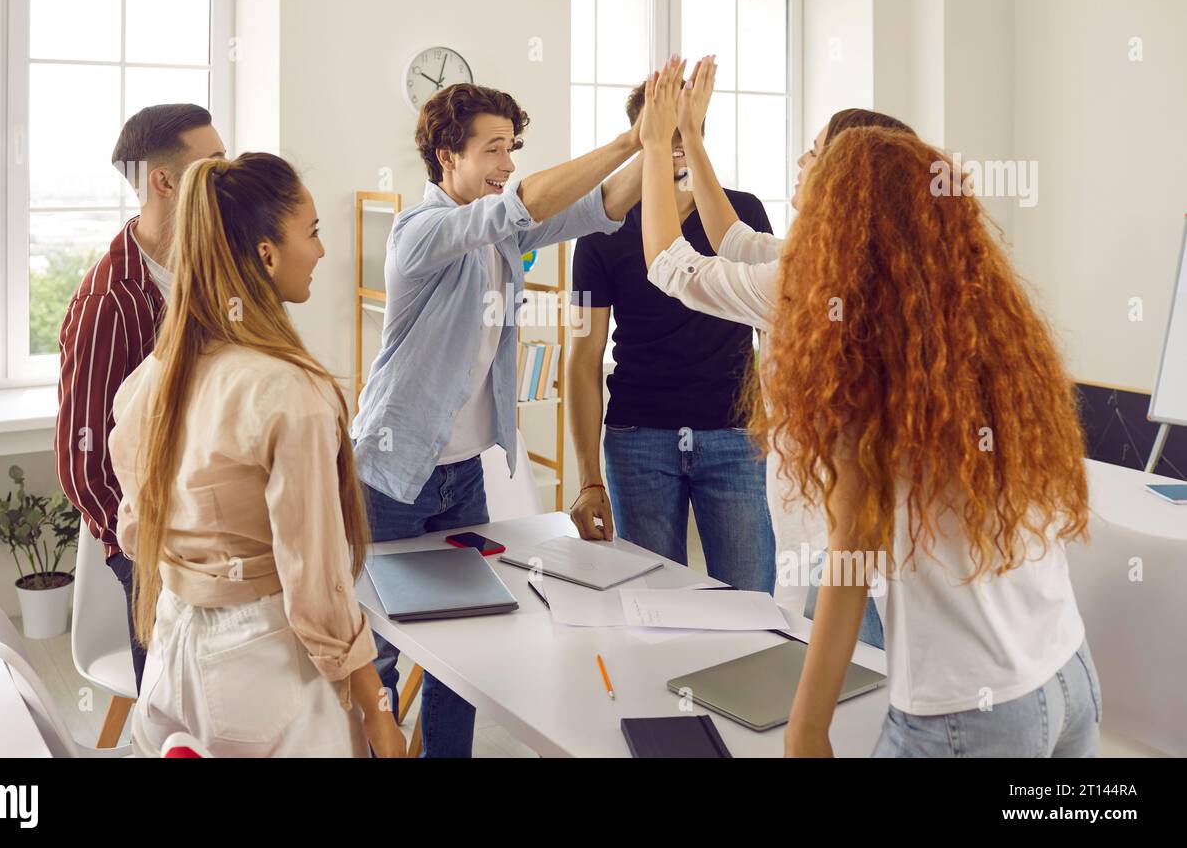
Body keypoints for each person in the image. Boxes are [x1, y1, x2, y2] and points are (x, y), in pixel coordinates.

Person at [729, 124, 1097, 757]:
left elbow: (851, 552)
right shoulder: (994, 336)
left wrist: (806, 728)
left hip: (967, 709)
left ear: (838, 230)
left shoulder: (861, 361)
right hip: (1067, 672)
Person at [350, 82, 643, 757]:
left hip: (459, 478)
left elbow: (601, 206)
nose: (507, 163)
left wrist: (658, 147)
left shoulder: (498, 232)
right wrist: (629, 137)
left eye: (512, 148)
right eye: (493, 149)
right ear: (446, 155)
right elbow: (522, 204)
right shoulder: (420, 232)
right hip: (388, 474)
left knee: (467, 645)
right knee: (379, 650)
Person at [109, 153, 405, 759]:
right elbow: (316, 586)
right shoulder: (290, 393)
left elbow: (139, 533)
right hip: (267, 677)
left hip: (172, 654)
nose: (322, 251)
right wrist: (379, 712)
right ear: (266, 254)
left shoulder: (153, 378)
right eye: (314, 232)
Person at [639, 55, 914, 647]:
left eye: (815, 151)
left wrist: (657, 149)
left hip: (832, 548)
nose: (801, 159)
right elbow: (734, 241)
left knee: (841, 710)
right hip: (853, 541)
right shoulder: (860, 265)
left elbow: (672, 266)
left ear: (845, 179)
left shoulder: (814, 284)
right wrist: (690, 135)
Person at [567, 62, 777, 592]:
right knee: (648, 601)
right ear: (639, 143)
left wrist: (774, 425)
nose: (676, 149)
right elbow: (583, 357)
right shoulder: (601, 232)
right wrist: (589, 477)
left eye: (688, 135)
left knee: (750, 600)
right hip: (639, 436)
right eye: (663, 138)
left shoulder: (743, 215)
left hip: (734, 435)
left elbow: (770, 329)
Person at [54, 104, 225, 692]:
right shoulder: (112, 300)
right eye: (214, 163)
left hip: (211, 538)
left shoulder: (209, 267)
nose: (225, 176)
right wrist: (139, 554)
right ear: (165, 180)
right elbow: (82, 458)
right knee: (172, 713)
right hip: (158, 555)